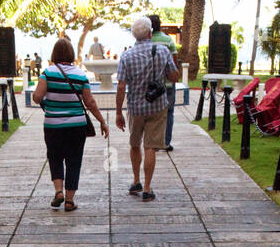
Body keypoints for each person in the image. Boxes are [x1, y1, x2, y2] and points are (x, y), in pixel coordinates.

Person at [32, 36, 108, 211]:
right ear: (71, 54)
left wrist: (46, 99)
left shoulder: (47, 73)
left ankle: (59, 191)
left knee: (55, 157)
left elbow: (36, 97)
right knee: (74, 161)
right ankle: (69, 201)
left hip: (53, 126)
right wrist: (102, 121)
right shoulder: (80, 75)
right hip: (76, 126)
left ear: (55, 54)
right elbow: (90, 102)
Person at [115, 15, 179, 201]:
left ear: (134, 36)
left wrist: (119, 112)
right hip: (157, 106)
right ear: (150, 33)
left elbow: (121, 86)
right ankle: (148, 188)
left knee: (135, 144)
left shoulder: (126, 56)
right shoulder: (163, 51)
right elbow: (174, 76)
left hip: (135, 107)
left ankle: (136, 180)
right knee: (151, 146)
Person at [149, 12, 178, 151]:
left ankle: (154, 142)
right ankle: (166, 142)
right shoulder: (168, 41)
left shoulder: (145, 42)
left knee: (153, 113)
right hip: (167, 83)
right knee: (169, 112)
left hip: (150, 85)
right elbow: (174, 61)